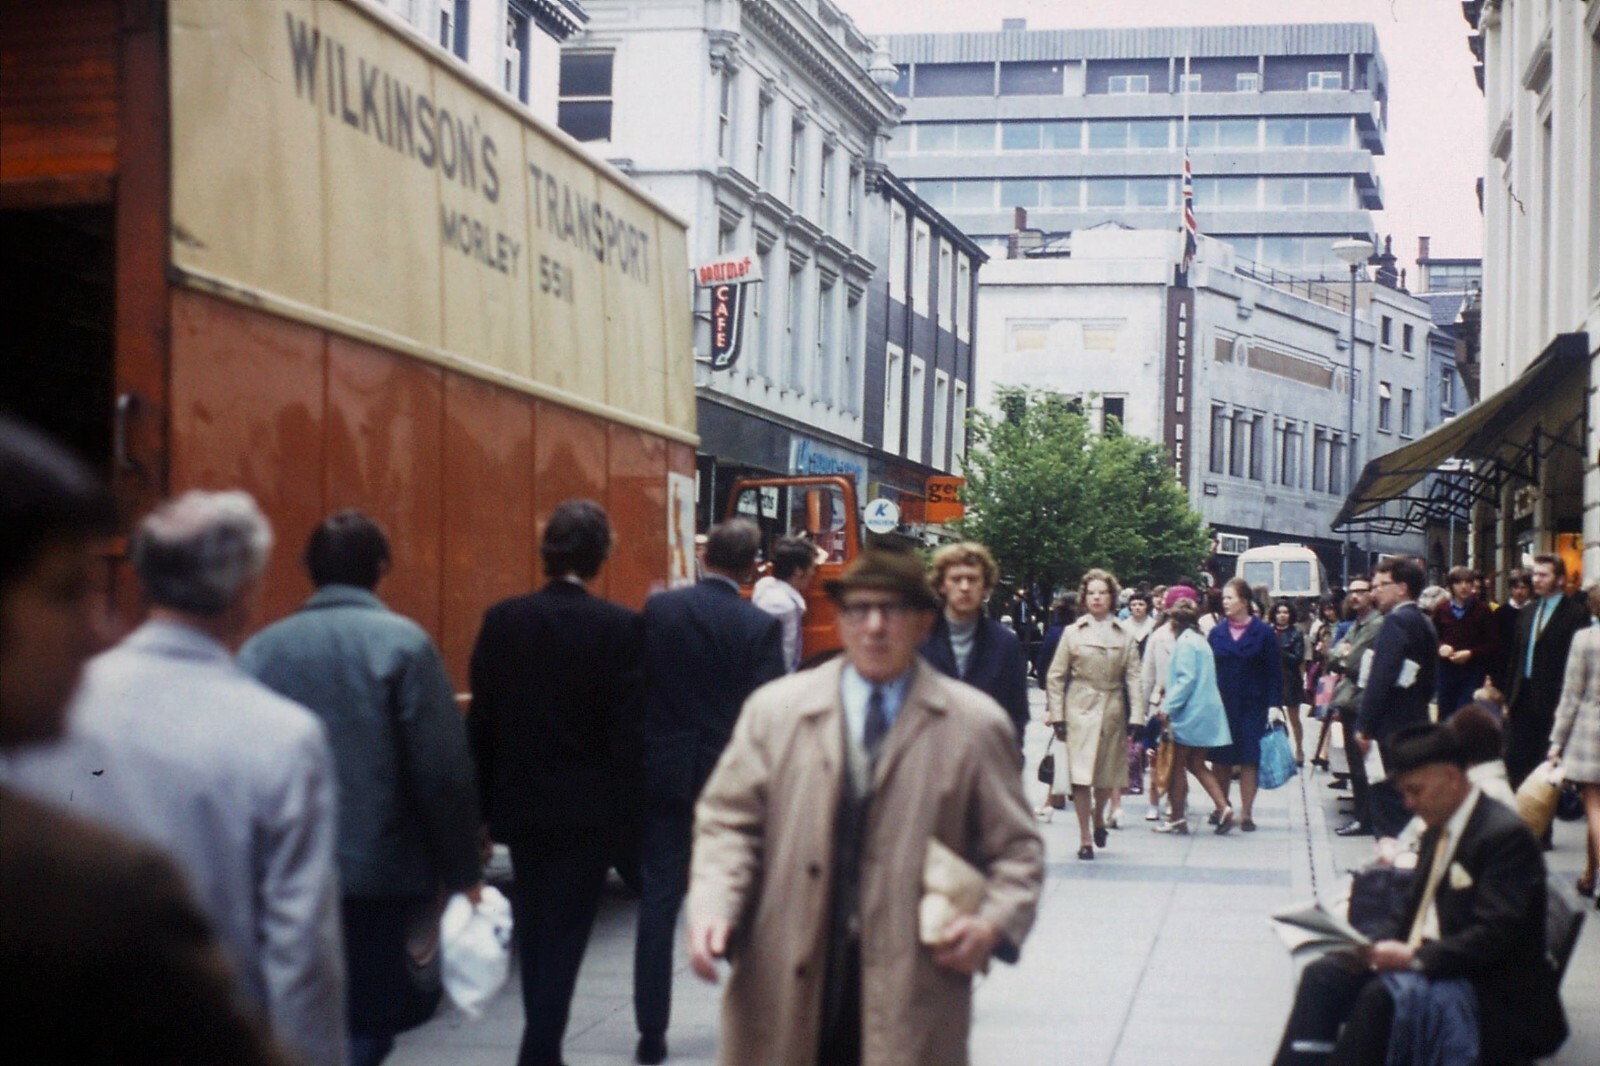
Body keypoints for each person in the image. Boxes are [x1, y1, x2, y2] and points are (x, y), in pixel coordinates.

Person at [2, 489, 346, 1065]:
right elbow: (301, 947)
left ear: (143, 579)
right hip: (210, 1038)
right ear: (245, 590)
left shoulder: (47, 704)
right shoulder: (284, 737)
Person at [685, 546, 1044, 1066]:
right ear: (839, 619)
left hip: (915, 980)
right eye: (859, 609)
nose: (874, 626)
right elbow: (728, 823)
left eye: (891, 610)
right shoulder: (777, 712)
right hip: (786, 970)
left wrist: (991, 923)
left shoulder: (973, 725)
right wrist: (716, 904)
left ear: (923, 621)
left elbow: (1017, 851)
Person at [240, 510, 483, 1066]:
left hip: (283, 864)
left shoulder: (261, 651)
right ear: (382, 568)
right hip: (377, 871)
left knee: (294, 1010)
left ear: (308, 568)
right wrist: (463, 870)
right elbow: (442, 772)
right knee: (367, 1015)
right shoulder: (404, 645)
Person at [1272, 723, 1568, 1066]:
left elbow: (1495, 935)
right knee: (1323, 975)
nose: (1409, 803)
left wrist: (1414, 959)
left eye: (1416, 790)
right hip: (1443, 963)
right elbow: (1409, 912)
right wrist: (1365, 948)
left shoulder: (1502, 836)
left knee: (1381, 998)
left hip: (1490, 991)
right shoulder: (1439, 826)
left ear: (1451, 777)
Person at [468, 499, 645, 1066]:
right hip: (589, 810)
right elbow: (629, 731)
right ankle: (541, 1046)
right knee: (567, 930)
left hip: (521, 804)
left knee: (536, 923)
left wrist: (479, 811)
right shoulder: (620, 628)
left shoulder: (504, 620)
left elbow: (483, 722)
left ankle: (539, 1041)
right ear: (600, 556)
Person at [635, 518, 785, 1065]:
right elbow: (769, 713)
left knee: (658, 902)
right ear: (751, 568)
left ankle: (651, 1033)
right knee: (743, 896)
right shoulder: (758, 626)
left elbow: (638, 687)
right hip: (730, 777)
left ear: (704, 559)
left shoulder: (661, 611)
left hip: (667, 773)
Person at [1045, 568, 1145, 859]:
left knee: (1105, 776)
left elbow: (1134, 679)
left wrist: (1137, 716)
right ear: (1084, 598)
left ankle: (1098, 815)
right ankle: (1085, 837)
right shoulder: (1072, 633)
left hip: (1112, 708)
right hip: (1079, 708)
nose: (1097, 598)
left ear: (1112, 597)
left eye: (1102, 592)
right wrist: (1058, 714)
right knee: (1080, 776)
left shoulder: (1125, 635)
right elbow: (1055, 676)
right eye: (1091, 593)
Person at [1355, 556, 1440, 842]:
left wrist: (1364, 726)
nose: (1374, 592)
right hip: (1414, 722)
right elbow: (1430, 680)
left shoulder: (1396, 621)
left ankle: (1393, 860)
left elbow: (1381, 678)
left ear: (1402, 588)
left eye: (1381, 585)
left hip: (1389, 728)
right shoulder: (1423, 621)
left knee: (1387, 802)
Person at [920, 541, 1030, 752]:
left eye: (972, 579)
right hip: (928, 759)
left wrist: (1009, 760)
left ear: (985, 587)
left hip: (986, 759)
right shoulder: (918, 640)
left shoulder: (1006, 644)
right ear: (942, 585)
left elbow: (1016, 714)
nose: (964, 587)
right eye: (956, 579)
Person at [1151, 597, 1233, 835]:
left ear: (1174, 622)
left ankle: (1177, 817)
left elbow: (1186, 680)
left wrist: (1167, 707)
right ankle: (1223, 806)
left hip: (1189, 713)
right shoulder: (1200, 641)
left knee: (1177, 765)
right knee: (1197, 764)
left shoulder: (1185, 643)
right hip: (1207, 711)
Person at [1505, 554, 1588, 791]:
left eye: (1543, 575)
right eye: (1535, 574)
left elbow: (1577, 664)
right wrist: (1508, 698)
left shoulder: (1575, 614)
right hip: (1522, 699)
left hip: (1553, 701)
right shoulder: (1527, 612)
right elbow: (1515, 658)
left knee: (1545, 772)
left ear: (1560, 579)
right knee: (1515, 765)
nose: (1536, 580)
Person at [1208, 578, 1278, 833]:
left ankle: (1247, 813)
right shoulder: (1216, 633)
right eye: (1223, 598)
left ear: (1245, 601)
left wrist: (1274, 705)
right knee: (1221, 758)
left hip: (1253, 704)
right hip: (1222, 704)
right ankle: (1223, 807)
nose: (1225, 602)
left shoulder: (1264, 633)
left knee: (1250, 758)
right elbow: (1209, 670)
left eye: (1230, 597)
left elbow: (1274, 672)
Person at [1548, 581, 1600, 907]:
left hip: (1591, 731)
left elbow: (1571, 695)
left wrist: (1557, 741)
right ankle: (1589, 873)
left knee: (1594, 807)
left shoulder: (1585, 640)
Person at [1432, 565, 1499, 721]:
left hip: (1472, 672)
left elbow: (1493, 643)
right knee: (1445, 714)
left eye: (1468, 582)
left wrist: (1471, 653)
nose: (1464, 587)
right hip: (1446, 671)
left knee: (1465, 714)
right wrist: (1441, 647)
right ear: (1451, 586)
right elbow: (1432, 637)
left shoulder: (1483, 610)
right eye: (1458, 583)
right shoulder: (1441, 609)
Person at [752, 536, 818, 673]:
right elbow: (785, 656)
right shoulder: (781, 606)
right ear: (798, 571)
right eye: (812, 568)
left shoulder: (771, 593)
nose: (813, 573)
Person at [1270, 601, 1307, 766]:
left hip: (1290, 680)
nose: (1282, 616)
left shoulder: (1296, 634)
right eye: (1279, 612)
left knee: (1294, 718)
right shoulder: (1268, 631)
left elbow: (1297, 658)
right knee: (1273, 717)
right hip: (1271, 679)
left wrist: (1279, 650)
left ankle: (1299, 749)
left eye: (1285, 612)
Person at [1490, 569, 1533, 693]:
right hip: (1505, 670)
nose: (1519, 592)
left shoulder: (1534, 612)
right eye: (1515, 587)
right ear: (1510, 589)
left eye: (1523, 587)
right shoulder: (1500, 613)